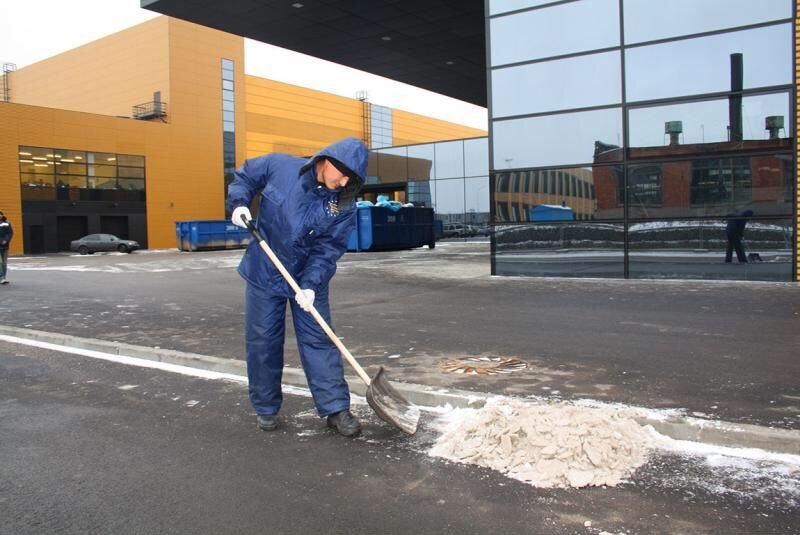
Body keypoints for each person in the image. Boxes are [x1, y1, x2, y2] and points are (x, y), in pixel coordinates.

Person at [228, 137, 368, 437]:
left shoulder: (342, 204)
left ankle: (336, 409)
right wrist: (239, 203)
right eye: (341, 175)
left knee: (319, 339)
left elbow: (329, 248)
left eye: (349, 180)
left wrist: (311, 286)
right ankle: (266, 408)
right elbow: (246, 175)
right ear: (327, 160)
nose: (343, 183)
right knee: (263, 340)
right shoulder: (281, 166)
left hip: (307, 278)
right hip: (265, 269)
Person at [0, 210, 12, 285]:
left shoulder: (7, 224)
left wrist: (6, 240)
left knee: (4, 263)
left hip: (5, 246)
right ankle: (1, 277)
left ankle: (3, 278)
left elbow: (10, 233)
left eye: (0, 214)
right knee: (0, 263)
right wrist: (1, 240)